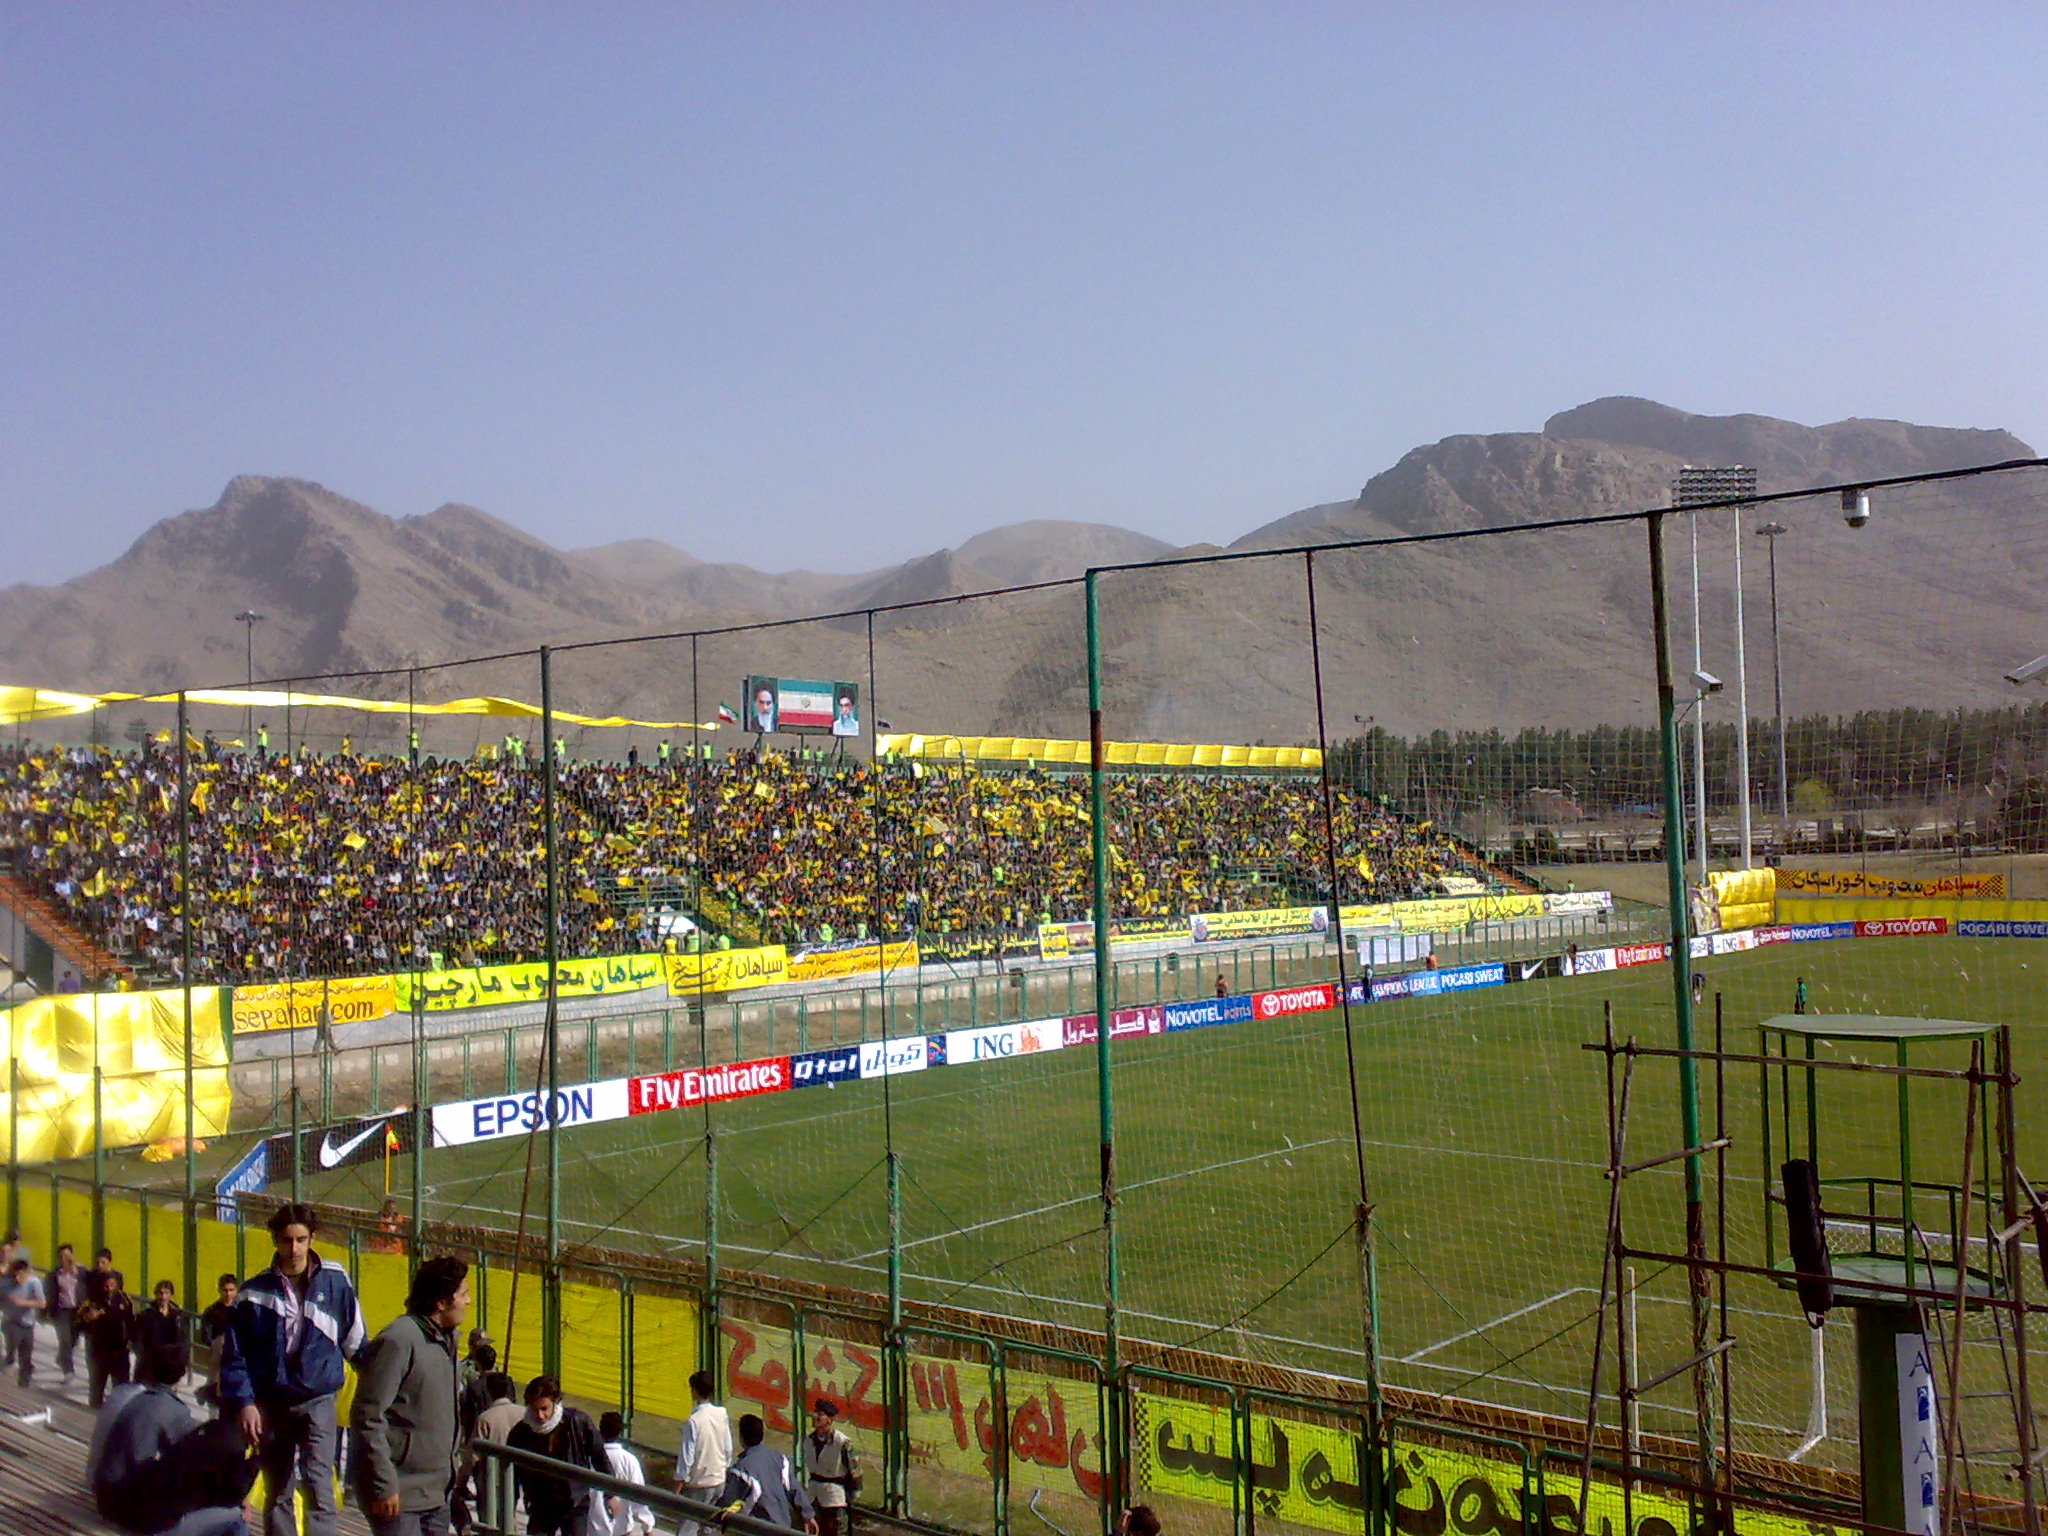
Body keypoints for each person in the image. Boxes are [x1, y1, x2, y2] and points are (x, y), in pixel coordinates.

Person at [217, 1202, 368, 1536]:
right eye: (287, 1240)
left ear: (312, 1238)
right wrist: (245, 1403)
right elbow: (235, 1356)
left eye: (301, 1239)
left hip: (319, 1400)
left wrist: (380, 1385)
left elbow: (355, 1340)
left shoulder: (335, 1280)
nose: (294, 1248)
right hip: (274, 1404)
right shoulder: (253, 1293)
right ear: (275, 1240)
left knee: (319, 1484)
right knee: (279, 1487)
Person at [350, 1254, 469, 1536]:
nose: (468, 1301)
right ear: (441, 1303)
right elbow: (367, 1416)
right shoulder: (399, 1340)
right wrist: (384, 1484)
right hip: (399, 1497)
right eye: (463, 1294)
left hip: (437, 1495)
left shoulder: (447, 1339)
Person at [88, 1343, 257, 1536]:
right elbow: (194, 1464)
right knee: (237, 1516)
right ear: (184, 1372)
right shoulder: (173, 1411)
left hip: (107, 1498)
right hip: (132, 1513)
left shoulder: (138, 1400)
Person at [504, 1374, 607, 1536]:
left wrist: (611, 1494)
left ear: (556, 1402)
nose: (540, 1416)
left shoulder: (577, 1422)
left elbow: (599, 1456)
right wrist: (509, 1509)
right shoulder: (521, 1432)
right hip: (541, 1502)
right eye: (534, 1409)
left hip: (574, 1500)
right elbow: (511, 1472)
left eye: (544, 1409)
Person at [734, 1412, 815, 1533]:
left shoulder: (741, 1469)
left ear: (741, 1437)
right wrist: (808, 1515)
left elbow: (729, 1503)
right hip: (783, 1528)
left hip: (757, 1530)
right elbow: (794, 1488)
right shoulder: (779, 1458)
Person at [673, 1368, 734, 1525]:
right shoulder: (722, 1414)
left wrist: (678, 1487)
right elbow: (728, 1448)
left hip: (699, 1484)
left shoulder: (693, 1421)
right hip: (719, 1480)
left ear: (694, 1391)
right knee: (709, 1528)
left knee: (688, 1528)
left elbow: (687, 1458)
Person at [83, 1248, 138, 1408]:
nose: (109, 1289)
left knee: (121, 1387)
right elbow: (81, 1321)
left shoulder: (124, 1300)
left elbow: (130, 1322)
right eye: (106, 1286)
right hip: (99, 1350)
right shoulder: (93, 1302)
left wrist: (132, 1342)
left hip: (119, 1350)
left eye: (112, 1285)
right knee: (97, 1385)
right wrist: (89, 1319)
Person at [804, 1398, 860, 1536]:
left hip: (835, 1499)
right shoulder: (808, 1440)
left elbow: (856, 1471)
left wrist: (852, 1495)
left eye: (821, 1414)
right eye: (815, 1412)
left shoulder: (842, 1442)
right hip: (814, 1497)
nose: (815, 1416)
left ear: (829, 1420)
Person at [596, 1410, 655, 1536]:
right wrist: (647, 1527)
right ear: (620, 1432)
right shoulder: (629, 1461)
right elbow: (638, 1496)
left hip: (594, 1528)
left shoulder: (590, 1457)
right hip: (621, 1529)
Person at [47, 1242, 85, 1383]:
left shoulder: (81, 1272)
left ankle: (61, 1357)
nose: (65, 1258)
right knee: (65, 1340)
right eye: (62, 1256)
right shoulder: (55, 1275)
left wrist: (75, 1270)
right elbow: (50, 1294)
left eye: (68, 1255)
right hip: (62, 1310)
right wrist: (48, 1312)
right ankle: (68, 1371)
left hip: (78, 1311)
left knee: (73, 1340)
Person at [4, 1257, 46, 1386]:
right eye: (15, 1276)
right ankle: (9, 1360)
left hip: (28, 1323)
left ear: (26, 1273)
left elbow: (42, 1303)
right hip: (12, 1321)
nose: (18, 1279)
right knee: (13, 1342)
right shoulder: (8, 1283)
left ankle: (24, 1381)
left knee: (26, 1354)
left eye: (21, 1275)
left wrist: (24, 1303)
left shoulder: (34, 1283)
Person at [135, 1279, 188, 1377]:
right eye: (160, 1293)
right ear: (155, 1295)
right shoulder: (145, 1315)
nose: (163, 1297)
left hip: (171, 1365)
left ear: (171, 1295)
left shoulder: (178, 1316)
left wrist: (182, 1363)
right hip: (150, 1365)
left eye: (166, 1293)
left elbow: (183, 1341)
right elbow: (139, 1341)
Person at [200, 1273, 239, 1401]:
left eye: (231, 1290)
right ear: (219, 1290)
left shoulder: (241, 1309)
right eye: (225, 1290)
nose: (228, 1294)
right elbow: (205, 1334)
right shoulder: (212, 1311)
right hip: (219, 1355)